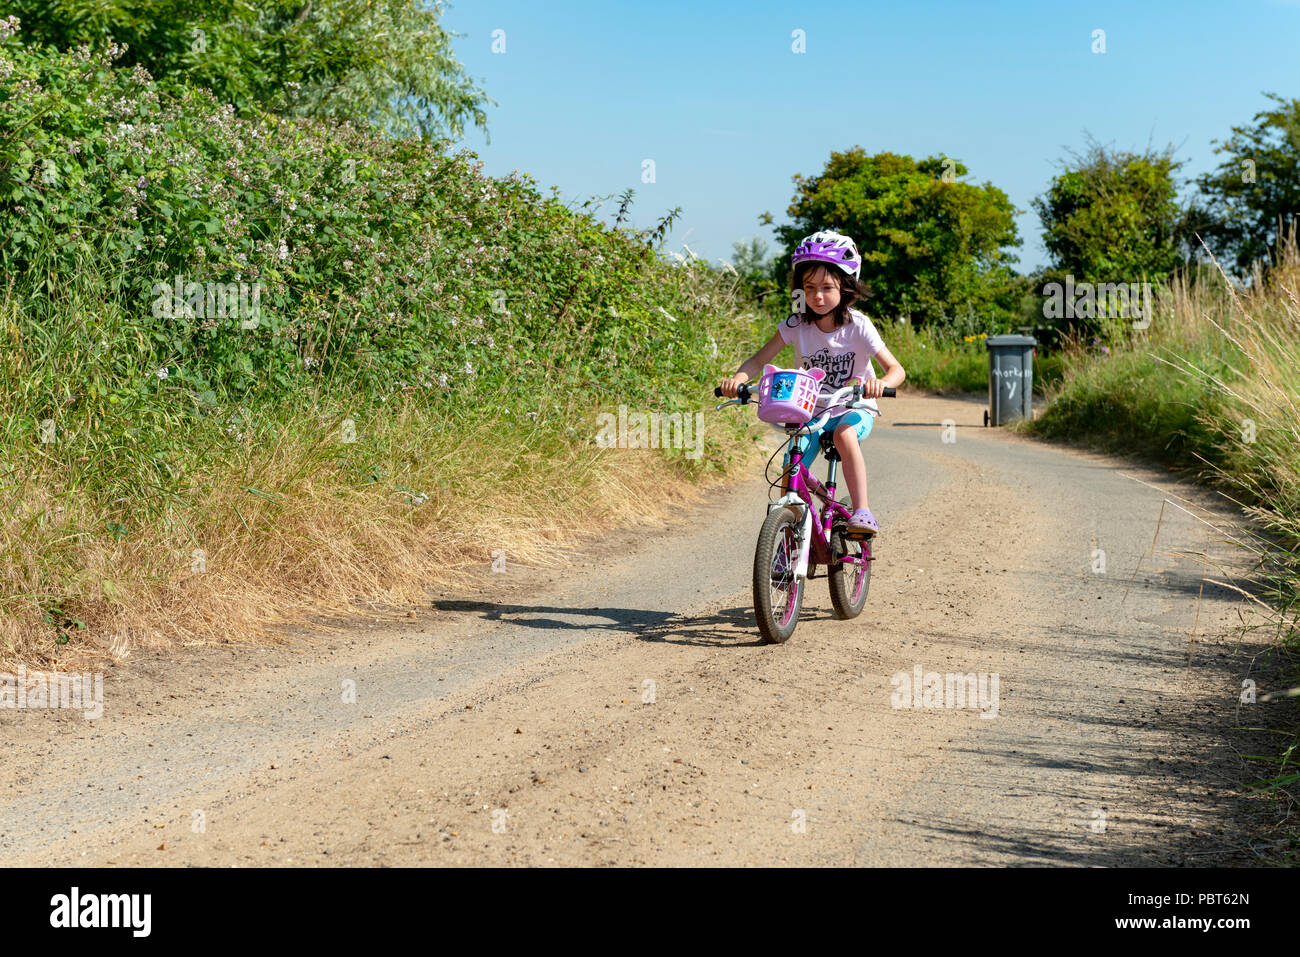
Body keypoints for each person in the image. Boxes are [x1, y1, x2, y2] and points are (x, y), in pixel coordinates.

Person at [718, 230, 905, 534]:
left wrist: (881, 383)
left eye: (827, 287)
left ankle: (862, 511)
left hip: (852, 406)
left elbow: (896, 368)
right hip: (809, 410)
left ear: (846, 287)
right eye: (809, 287)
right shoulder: (796, 325)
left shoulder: (859, 326)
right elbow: (756, 360)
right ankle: (788, 540)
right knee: (792, 464)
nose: (817, 296)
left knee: (844, 435)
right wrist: (738, 379)